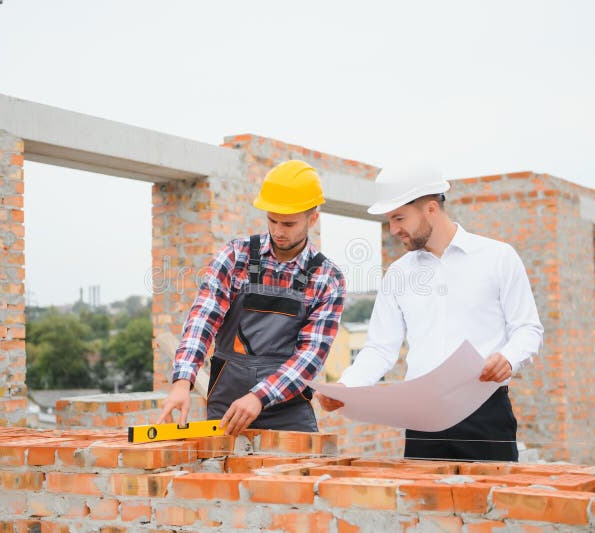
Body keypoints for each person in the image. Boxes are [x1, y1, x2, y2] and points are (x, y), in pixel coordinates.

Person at [317, 171, 543, 461]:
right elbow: (380, 348)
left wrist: (509, 358)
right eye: (390, 220)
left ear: (431, 209)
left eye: (399, 218)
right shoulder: (398, 273)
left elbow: (527, 328)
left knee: (492, 504)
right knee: (423, 506)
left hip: (485, 413)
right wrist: (347, 387)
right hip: (422, 418)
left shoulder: (498, 258)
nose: (393, 229)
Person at [158, 160, 346, 436]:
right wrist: (182, 381)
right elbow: (202, 320)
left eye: (289, 223)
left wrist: (259, 396)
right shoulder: (236, 257)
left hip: (287, 409)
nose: (278, 231)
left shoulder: (327, 278)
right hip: (227, 404)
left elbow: (310, 356)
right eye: (272, 220)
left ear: (313, 218)